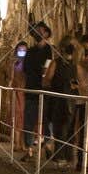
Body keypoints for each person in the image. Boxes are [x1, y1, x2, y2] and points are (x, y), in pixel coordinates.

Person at [45, 36, 81, 164]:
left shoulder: (75, 64)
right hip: (59, 98)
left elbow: (80, 81)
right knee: (61, 128)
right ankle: (60, 156)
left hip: (71, 97)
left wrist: (76, 85)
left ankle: (66, 156)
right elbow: (47, 80)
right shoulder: (57, 63)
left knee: (69, 128)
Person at [21, 21, 55, 154]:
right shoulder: (29, 51)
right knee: (29, 119)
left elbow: (49, 70)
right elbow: (24, 69)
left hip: (46, 90)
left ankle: (47, 145)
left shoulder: (51, 51)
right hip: (31, 89)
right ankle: (29, 147)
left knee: (47, 120)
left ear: (46, 33)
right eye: (36, 31)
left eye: (40, 31)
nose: (38, 34)